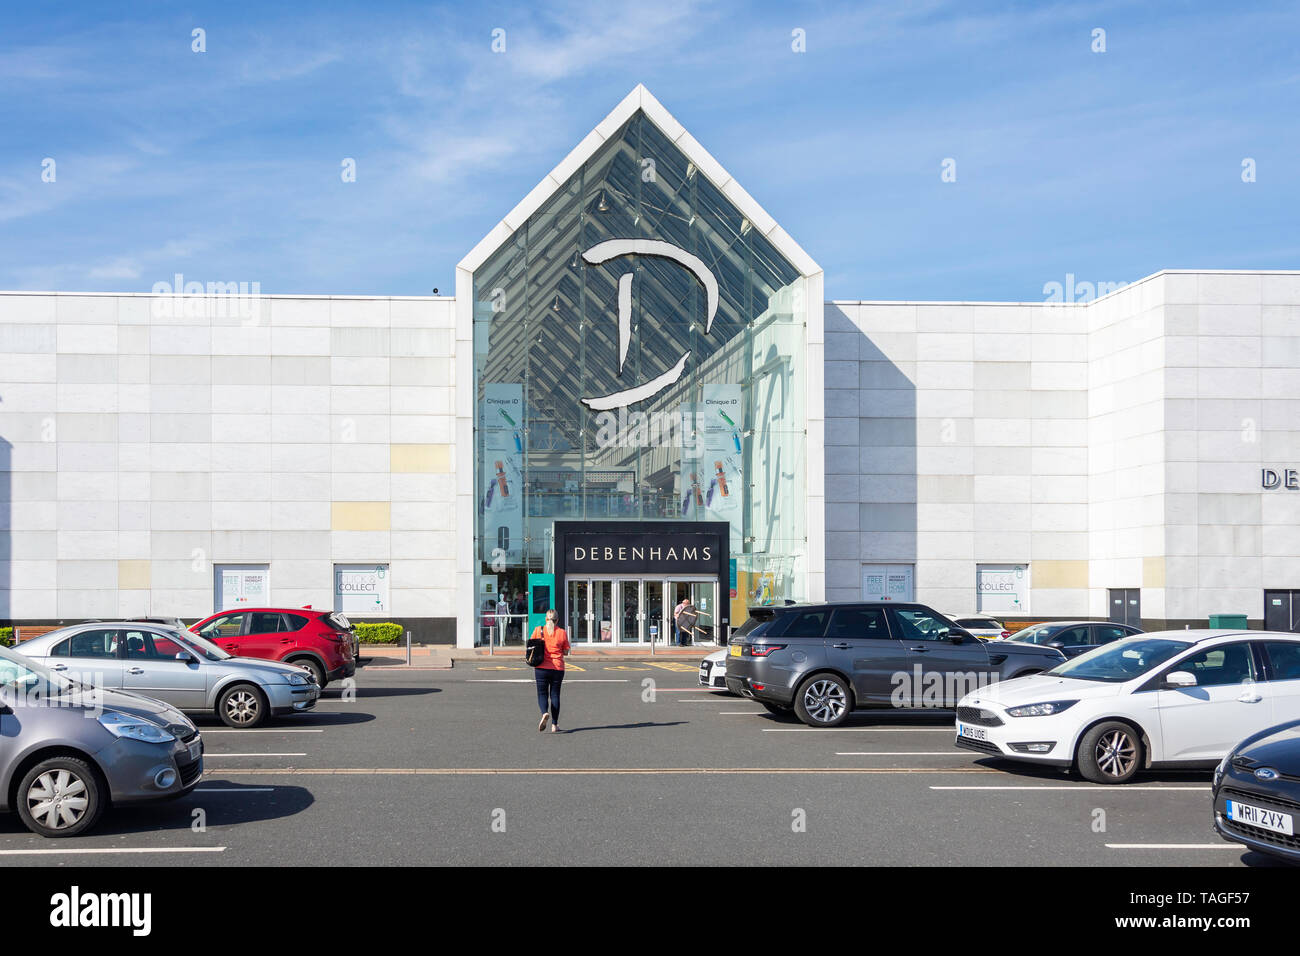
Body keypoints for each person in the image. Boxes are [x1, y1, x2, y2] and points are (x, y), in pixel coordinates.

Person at [532, 608, 570, 733]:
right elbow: (566, 651)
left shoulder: (538, 630)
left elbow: (531, 646)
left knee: (542, 694)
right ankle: (554, 724)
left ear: (545, 619)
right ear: (557, 620)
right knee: (555, 695)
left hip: (541, 667)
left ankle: (544, 713)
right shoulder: (562, 632)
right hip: (557, 668)